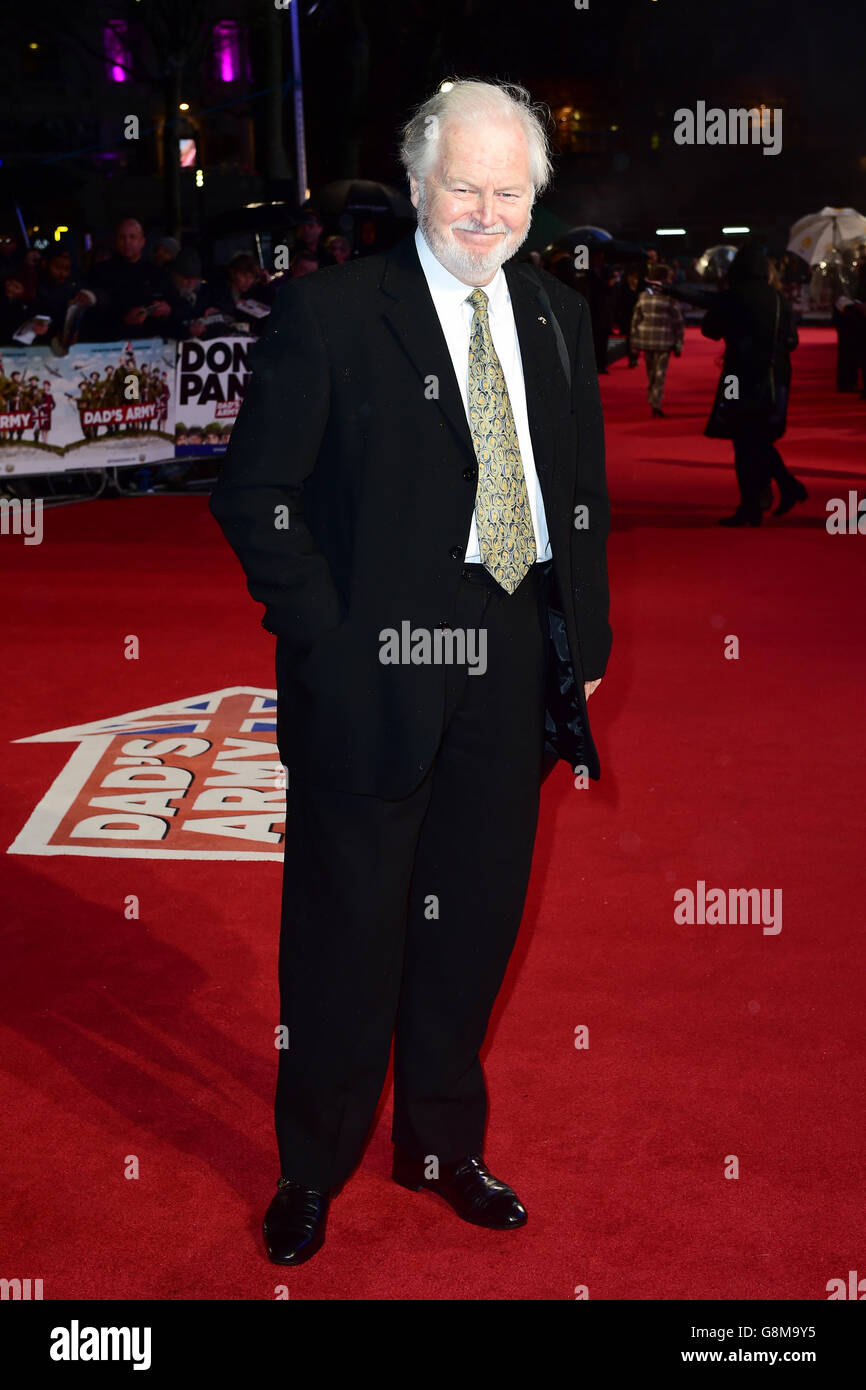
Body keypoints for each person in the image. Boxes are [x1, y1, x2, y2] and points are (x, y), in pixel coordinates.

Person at [209, 77, 611, 1268]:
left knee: (471, 926)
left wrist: (578, 641)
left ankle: (440, 1146)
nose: (484, 211)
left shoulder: (552, 315)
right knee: (344, 935)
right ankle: (310, 1166)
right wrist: (323, 637)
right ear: (418, 183)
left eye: (507, 190)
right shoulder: (330, 313)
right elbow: (255, 493)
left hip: (507, 660)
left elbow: (574, 491)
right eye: (462, 187)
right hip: (370, 674)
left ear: (532, 196)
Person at [702, 242, 805, 525]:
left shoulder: (732, 296)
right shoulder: (778, 299)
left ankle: (761, 499)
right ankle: (772, 492)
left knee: (744, 439)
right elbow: (792, 341)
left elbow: (709, 330)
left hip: (739, 374)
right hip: (775, 376)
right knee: (758, 437)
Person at [73, 217, 178, 341]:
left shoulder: (158, 273)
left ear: (142, 241)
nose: (127, 242)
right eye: (122, 238)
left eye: (132, 237)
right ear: (116, 241)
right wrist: (123, 319)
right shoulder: (100, 271)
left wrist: (168, 309)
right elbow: (89, 314)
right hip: (109, 346)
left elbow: (178, 304)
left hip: (150, 346)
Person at [629, 265, 683, 416]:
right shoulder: (669, 297)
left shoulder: (643, 296)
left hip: (646, 338)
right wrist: (679, 341)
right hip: (664, 339)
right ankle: (656, 402)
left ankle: (653, 397)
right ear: (665, 278)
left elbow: (636, 320)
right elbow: (678, 321)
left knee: (651, 371)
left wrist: (633, 341)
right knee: (660, 372)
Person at [612, 263, 644, 367]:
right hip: (627, 316)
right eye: (631, 276)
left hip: (639, 316)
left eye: (635, 277)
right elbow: (619, 302)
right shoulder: (622, 287)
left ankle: (635, 356)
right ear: (627, 277)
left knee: (638, 338)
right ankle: (631, 358)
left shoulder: (640, 288)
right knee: (629, 338)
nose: (633, 279)